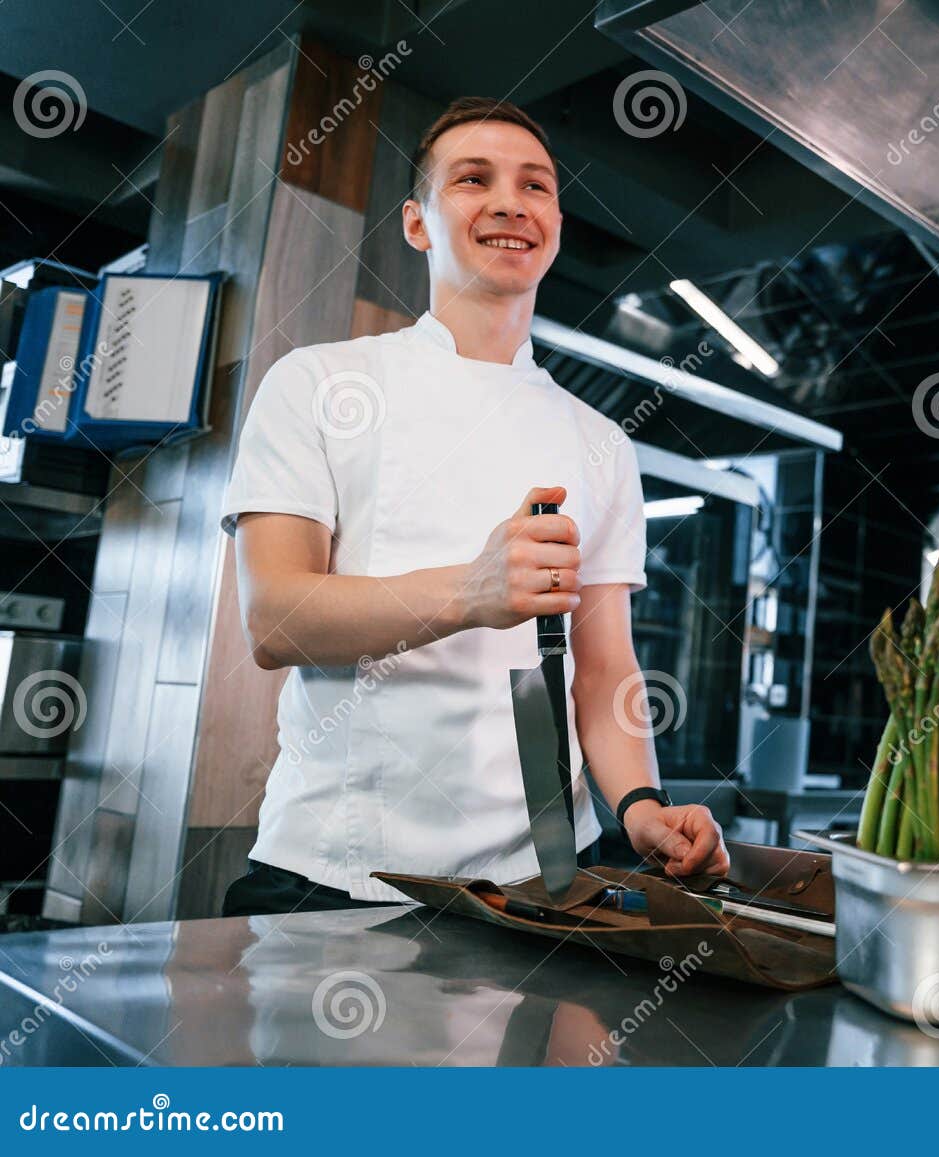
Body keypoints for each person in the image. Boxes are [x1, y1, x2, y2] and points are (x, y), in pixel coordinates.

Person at [218, 97, 730, 916]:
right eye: (473, 179)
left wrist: (639, 804)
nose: (509, 201)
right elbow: (274, 619)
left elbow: (603, 666)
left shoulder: (602, 441)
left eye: (536, 185)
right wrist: (472, 591)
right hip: (339, 874)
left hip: (547, 880)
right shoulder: (319, 383)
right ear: (417, 224)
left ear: (554, 225)